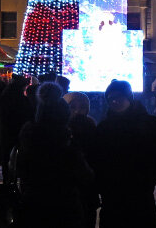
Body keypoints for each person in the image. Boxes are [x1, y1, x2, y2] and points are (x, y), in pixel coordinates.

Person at [16, 83, 95, 228]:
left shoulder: (29, 137)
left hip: (33, 205)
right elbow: (85, 176)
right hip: (65, 208)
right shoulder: (67, 145)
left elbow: (20, 168)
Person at [94, 79, 156, 228]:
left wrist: (147, 181)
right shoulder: (104, 126)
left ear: (129, 98)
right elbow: (96, 158)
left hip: (140, 194)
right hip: (112, 196)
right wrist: (103, 185)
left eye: (119, 98)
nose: (115, 102)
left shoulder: (148, 123)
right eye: (111, 99)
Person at [65, 92, 100, 228]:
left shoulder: (92, 127)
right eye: (72, 107)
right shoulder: (59, 130)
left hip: (87, 191)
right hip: (66, 192)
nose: (78, 111)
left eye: (82, 107)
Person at [0, 74, 34, 182]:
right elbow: (29, 117)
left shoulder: (2, 99)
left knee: (6, 158)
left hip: (5, 134)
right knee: (18, 159)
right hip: (19, 134)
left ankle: (6, 179)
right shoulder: (23, 100)